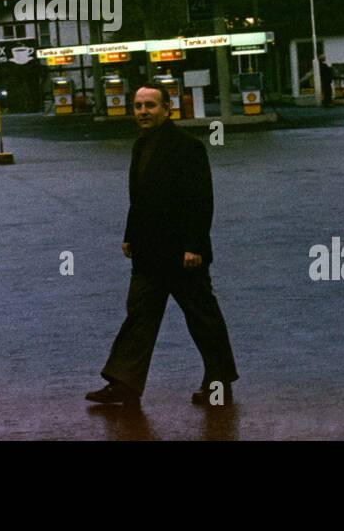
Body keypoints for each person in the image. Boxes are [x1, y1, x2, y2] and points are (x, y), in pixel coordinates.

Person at [86, 85, 239, 407]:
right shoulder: (141, 145)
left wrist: (194, 247)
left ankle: (219, 385)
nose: (143, 112)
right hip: (148, 252)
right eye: (138, 106)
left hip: (183, 255)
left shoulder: (188, 147)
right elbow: (139, 198)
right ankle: (124, 384)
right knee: (139, 318)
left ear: (167, 109)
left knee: (202, 320)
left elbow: (201, 201)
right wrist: (130, 235)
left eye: (150, 106)